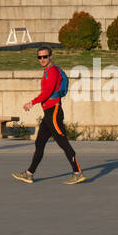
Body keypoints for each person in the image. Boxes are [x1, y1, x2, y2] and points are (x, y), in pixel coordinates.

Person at [13, 46, 85, 184]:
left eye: (45, 56)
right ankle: (29, 174)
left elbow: (47, 92)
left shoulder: (52, 71)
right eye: (39, 57)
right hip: (48, 114)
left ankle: (77, 172)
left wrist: (32, 102)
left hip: (54, 112)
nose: (42, 59)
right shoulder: (47, 71)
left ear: (50, 56)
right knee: (39, 142)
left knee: (63, 142)